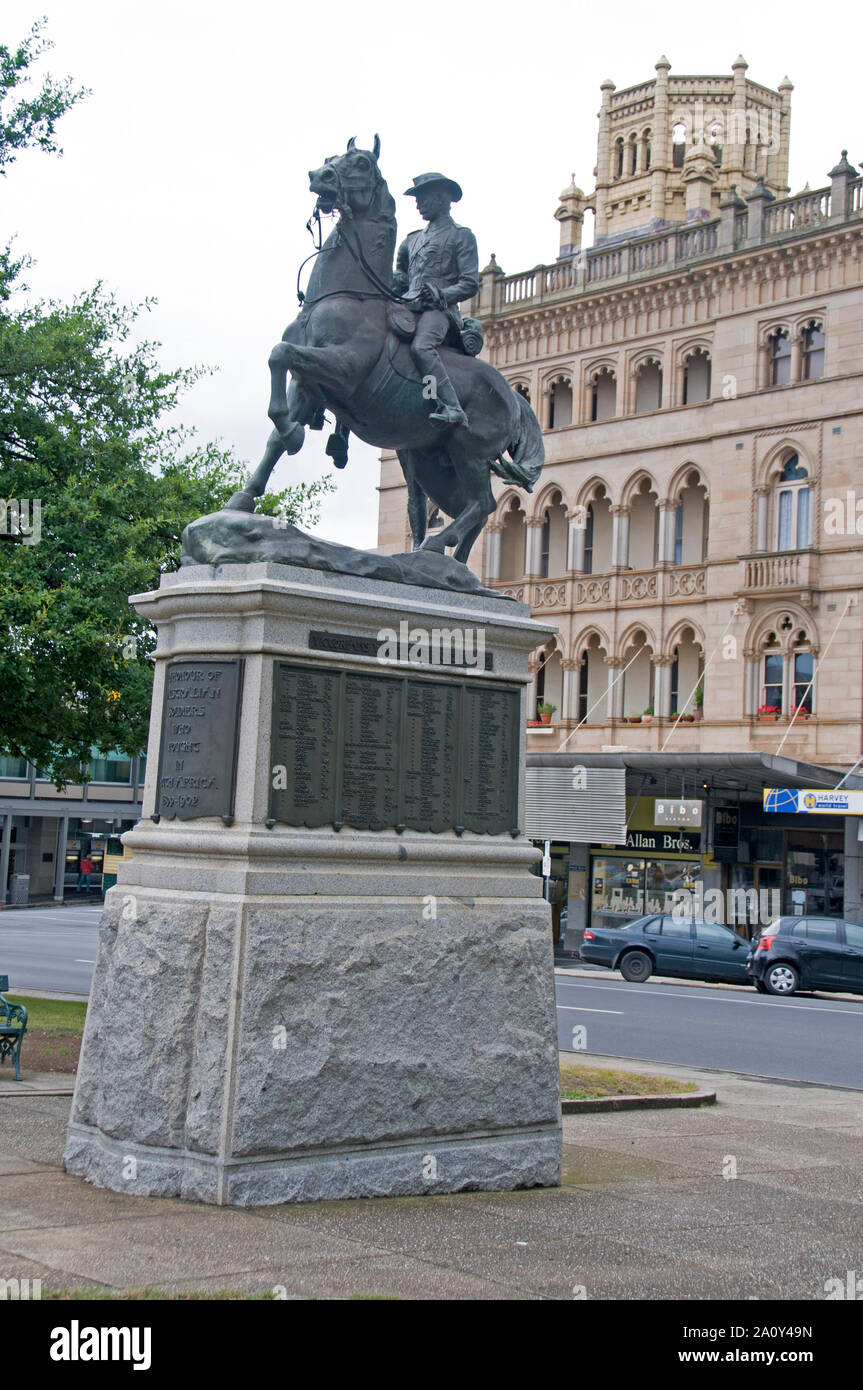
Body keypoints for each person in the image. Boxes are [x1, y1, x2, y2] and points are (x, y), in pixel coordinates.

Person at [394, 173, 479, 428]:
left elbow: (469, 282)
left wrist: (442, 294)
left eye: (424, 198)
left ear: (443, 199)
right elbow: (401, 273)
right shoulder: (411, 240)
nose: (418, 204)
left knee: (422, 347)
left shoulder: (461, 236)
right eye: (417, 199)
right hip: (409, 305)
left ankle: (451, 407)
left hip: (439, 311)